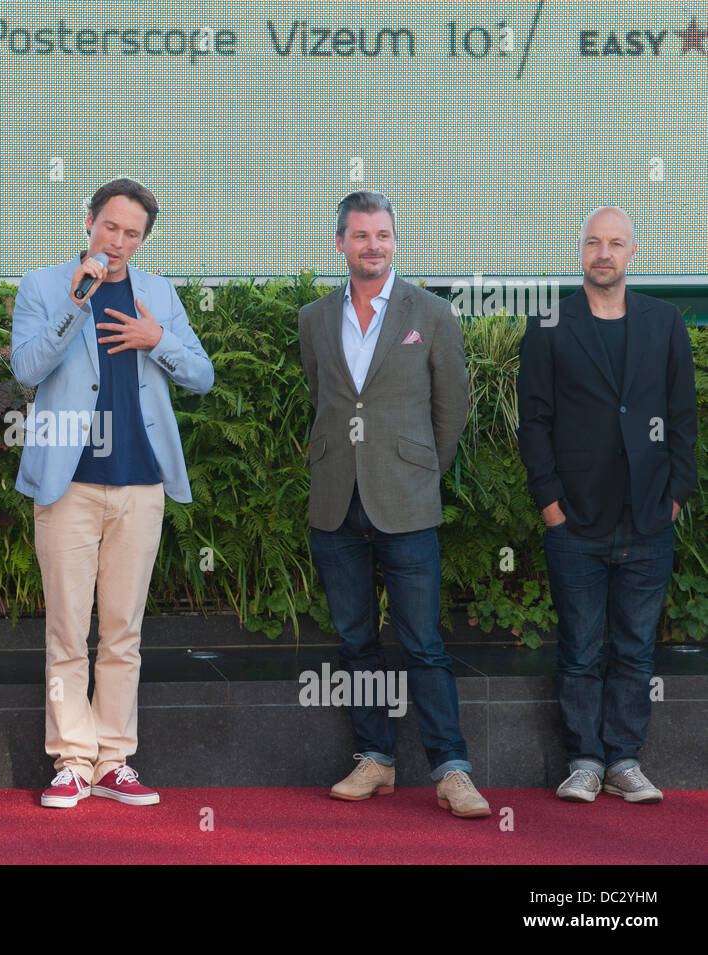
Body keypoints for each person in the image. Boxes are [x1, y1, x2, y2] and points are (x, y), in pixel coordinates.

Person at [11, 178, 214, 808]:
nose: (119, 241)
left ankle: (114, 760)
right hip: (67, 483)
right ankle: (72, 761)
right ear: (89, 223)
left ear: (144, 238)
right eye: (110, 227)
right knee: (68, 633)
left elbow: (202, 376)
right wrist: (79, 302)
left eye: (132, 232)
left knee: (123, 633)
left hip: (141, 485)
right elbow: (26, 370)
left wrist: (162, 341)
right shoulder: (44, 286)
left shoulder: (158, 294)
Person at [298, 191, 489, 818]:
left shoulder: (430, 313)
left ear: (394, 240)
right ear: (340, 244)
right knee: (355, 643)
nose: (372, 245)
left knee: (423, 641)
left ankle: (452, 770)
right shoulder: (314, 318)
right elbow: (322, 397)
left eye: (382, 234)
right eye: (359, 235)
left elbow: (450, 407)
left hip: (405, 500)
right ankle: (375, 758)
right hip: (335, 502)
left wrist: (414, 466)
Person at [517, 206, 696, 804]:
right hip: (575, 519)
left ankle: (624, 759)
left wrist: (676, 494)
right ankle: (585, 760)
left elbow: (682, 417)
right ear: (581, 251)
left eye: (616, 243)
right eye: (594, 242)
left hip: (649, 516)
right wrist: (549, 503)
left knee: (636, 648)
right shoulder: (549, 323)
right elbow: (534, 420)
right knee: (580, 647)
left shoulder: (664, 321)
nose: (604, 253)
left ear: (632, 253)